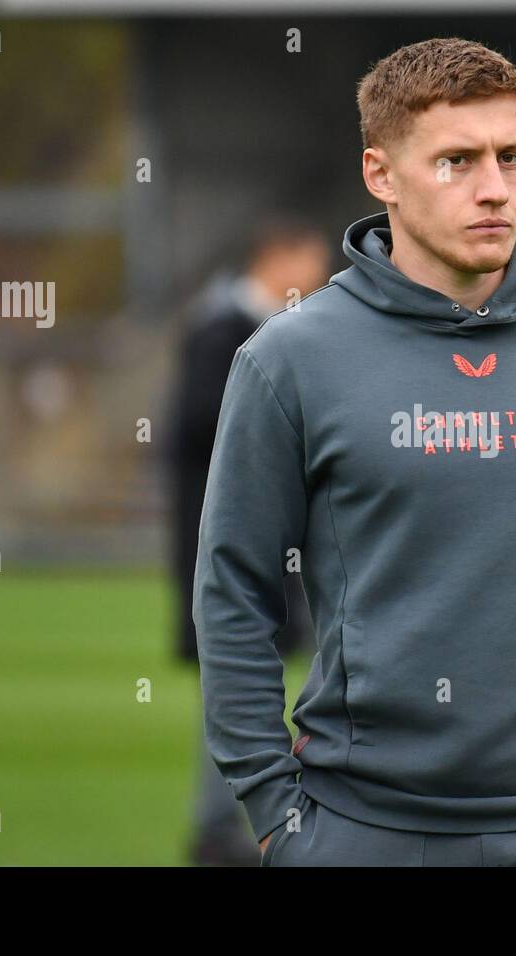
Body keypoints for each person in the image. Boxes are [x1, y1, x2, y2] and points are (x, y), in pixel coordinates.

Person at [193, 37, 516, 867]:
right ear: (380, 174)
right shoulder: (289, 358)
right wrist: (273, 810)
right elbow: (234, 593)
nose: (494, 188)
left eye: (512, 156)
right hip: (362, 829)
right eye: (456, 161)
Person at [166, 217, 329, 865]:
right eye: (309, 261)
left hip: (278, 537)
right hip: (239, 539)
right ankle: (218, 826)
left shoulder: (260, 328)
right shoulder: (225, 332)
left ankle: (252, 816)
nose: (318, 278)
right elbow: (201, 430)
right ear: (277, 257)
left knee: (299, 659)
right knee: (242, 670)